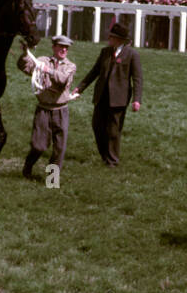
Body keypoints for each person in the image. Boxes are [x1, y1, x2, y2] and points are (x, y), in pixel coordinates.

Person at [73, 20, 143, 167]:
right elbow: (94, 72)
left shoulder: (132, 55)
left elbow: (137, 79)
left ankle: (112, 161)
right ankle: (105, 155)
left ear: (120, 40)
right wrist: (80, 88)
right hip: (101, 96)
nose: (109, 38)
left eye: (112, 37)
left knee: (113, 130)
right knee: (97, 126)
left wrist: (137, 100)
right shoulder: (105, 52)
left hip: (119, 99)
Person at [18, 34, 79, 180]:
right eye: (61, 47)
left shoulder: (70, 66)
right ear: (54, 47)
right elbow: (25, 68)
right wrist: (25, 54)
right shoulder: (42, 60)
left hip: (61, 111)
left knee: (59, 149)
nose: (64, 50)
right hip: (43, 110)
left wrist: (48, 70)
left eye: (66, 48)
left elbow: (62, 80)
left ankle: (52, 180)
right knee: (38, 145)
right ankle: (28, 166)